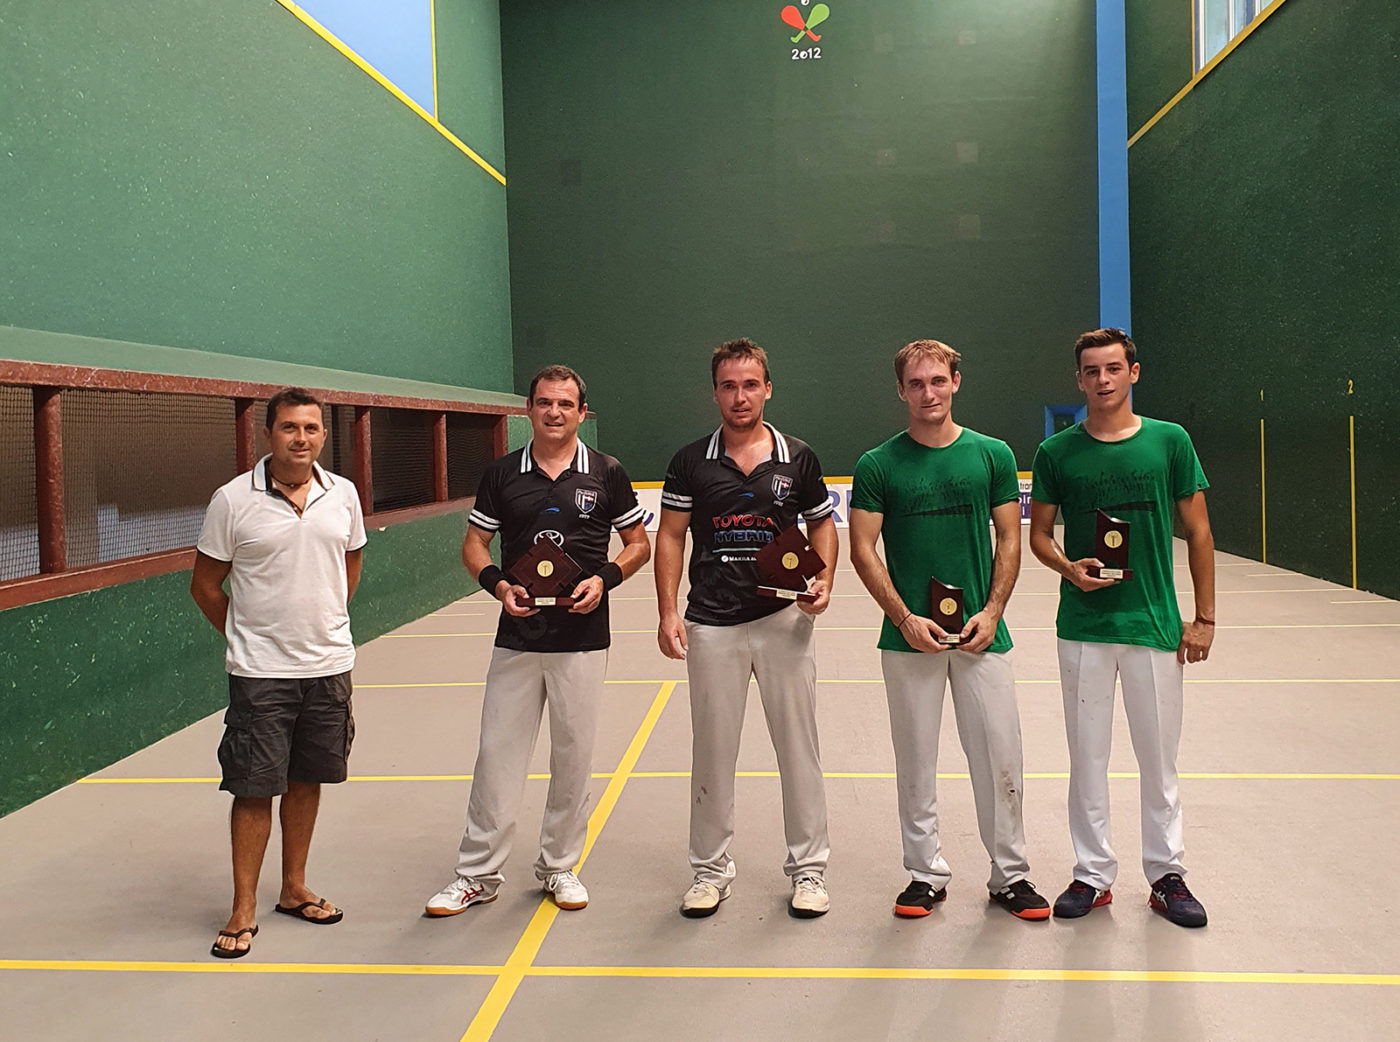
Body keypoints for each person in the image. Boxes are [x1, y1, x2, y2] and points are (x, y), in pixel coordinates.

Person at [425, 365, 650, 917]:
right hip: (517, 639)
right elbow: (475, 544)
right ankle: (477, 873)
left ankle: (559, 866)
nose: (555, 412)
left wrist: (607, 579)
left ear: (581, 412)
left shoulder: (607, 472)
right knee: (497, 756)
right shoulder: (502, 474)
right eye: (545, 402)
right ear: (528, 409)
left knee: (573, 757)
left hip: (583, 640)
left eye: (566, 404)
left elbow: (638, 543)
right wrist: (497, 584)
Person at [849, 340, 1049, 921]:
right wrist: (905, 618)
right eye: (916, 384)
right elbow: (863, 549)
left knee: (1000, 756)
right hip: (907, 639)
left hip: (984, 636)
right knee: (915, 760)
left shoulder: (991, 455)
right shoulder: (877, 464)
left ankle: (1010, 875)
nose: (928, 393)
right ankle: (924, 874)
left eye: (938, 381)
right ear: (901, 391)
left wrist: (992, 611)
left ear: (956, 381)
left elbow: (1010, 540)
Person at [1029, 328, 1215, 928]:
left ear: (1133, 372)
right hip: (1082, 626)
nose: (1103, 379)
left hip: (1156, 625)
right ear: (1079, 379)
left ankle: (1166, 874)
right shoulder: (1056, 453)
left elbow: (1201, 533)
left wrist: (1204, 618)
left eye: (1113, 368)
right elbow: (1038, 535)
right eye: (1091, 371)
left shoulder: (1170, 441)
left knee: (1158, 760)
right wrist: (1068, 568)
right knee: (1087, 758)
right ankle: (1091, 875)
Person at [656, 338, 838, 919]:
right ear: (715, 392)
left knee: (798, 749)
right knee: (712, 752)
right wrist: (667, 610)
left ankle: (808, 870)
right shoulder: (690, 461)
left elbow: (821, 526)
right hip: (712, 623)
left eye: (750, 384)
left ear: (767, 387)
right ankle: (710, 871)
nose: (740, 396)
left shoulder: (798, 457)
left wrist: (824, 582)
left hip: (784, 621)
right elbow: (671, 535)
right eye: (729, 385)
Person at [191, 387, 366, 959]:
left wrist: (328, 623)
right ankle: (243, 907)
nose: (302, 438)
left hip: (328, 666)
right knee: (252, 787)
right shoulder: (232, 500)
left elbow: (350, 564)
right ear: (269, 434)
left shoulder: (342, 494)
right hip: (260, 673)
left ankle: (293, 888)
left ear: (323, 435)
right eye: (290, 428)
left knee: (306, 778)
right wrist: (248, 636)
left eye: (312, 429)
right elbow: (206, 585)